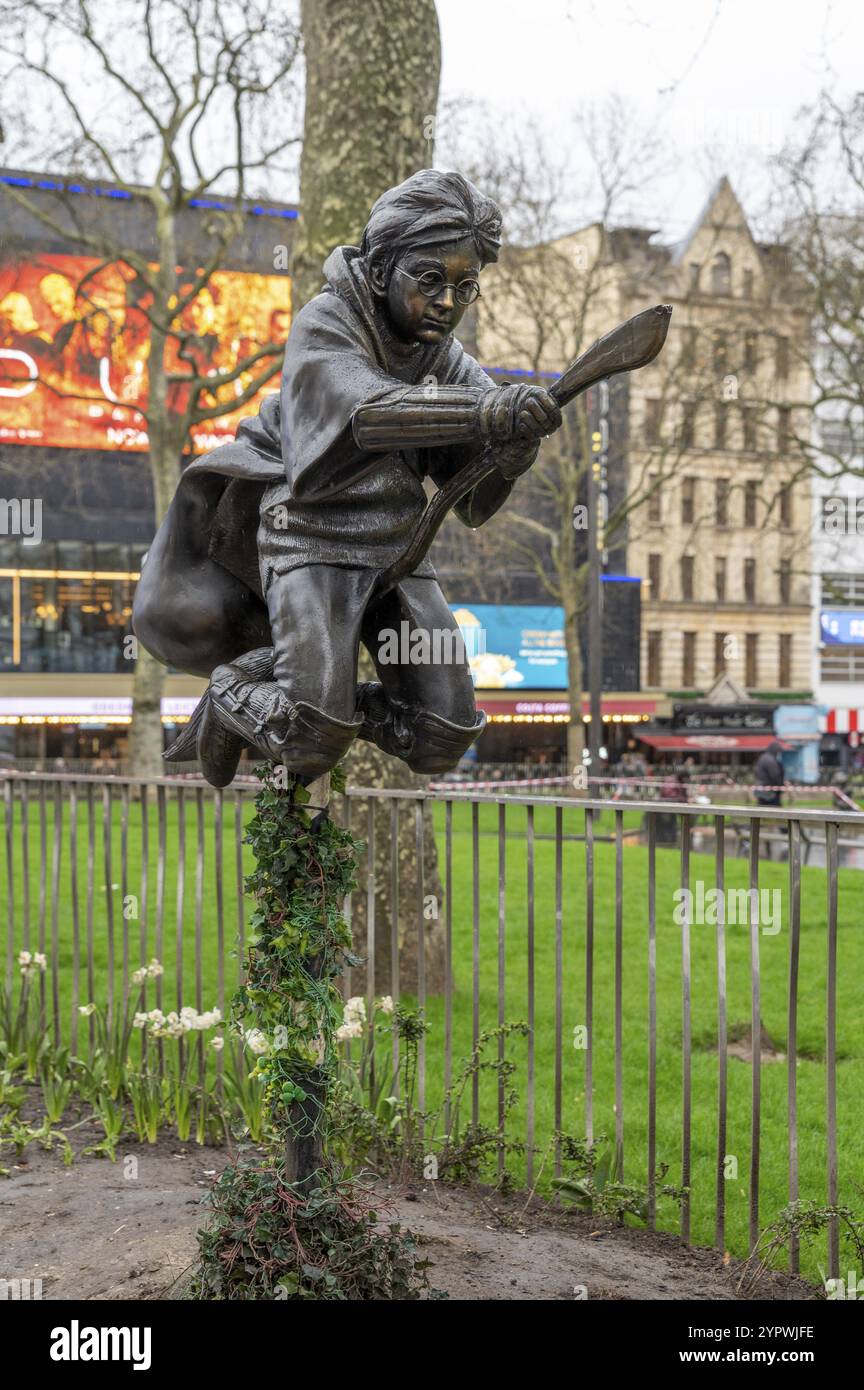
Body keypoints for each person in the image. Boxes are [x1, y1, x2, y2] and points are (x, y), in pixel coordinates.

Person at [133, 170, 561, 786]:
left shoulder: (447, 358)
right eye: (431, 279)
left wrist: (511, 451)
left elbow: (472, 495)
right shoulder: (327, 323)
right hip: (312, 539)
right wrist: (488, 413)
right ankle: (253, 696)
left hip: (399, 552)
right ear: (384, 268)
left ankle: (296, 689)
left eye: (466, 287)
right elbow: (368, 414)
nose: (447, 301)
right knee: (308, 742)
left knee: (443, 736)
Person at [753, 741, 785, 807]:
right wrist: (781, 785)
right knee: (774, 812)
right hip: (769, 792)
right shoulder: (770, 760)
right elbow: (775, 775)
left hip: (762, 790)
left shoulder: (763, 757)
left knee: (762, 811)